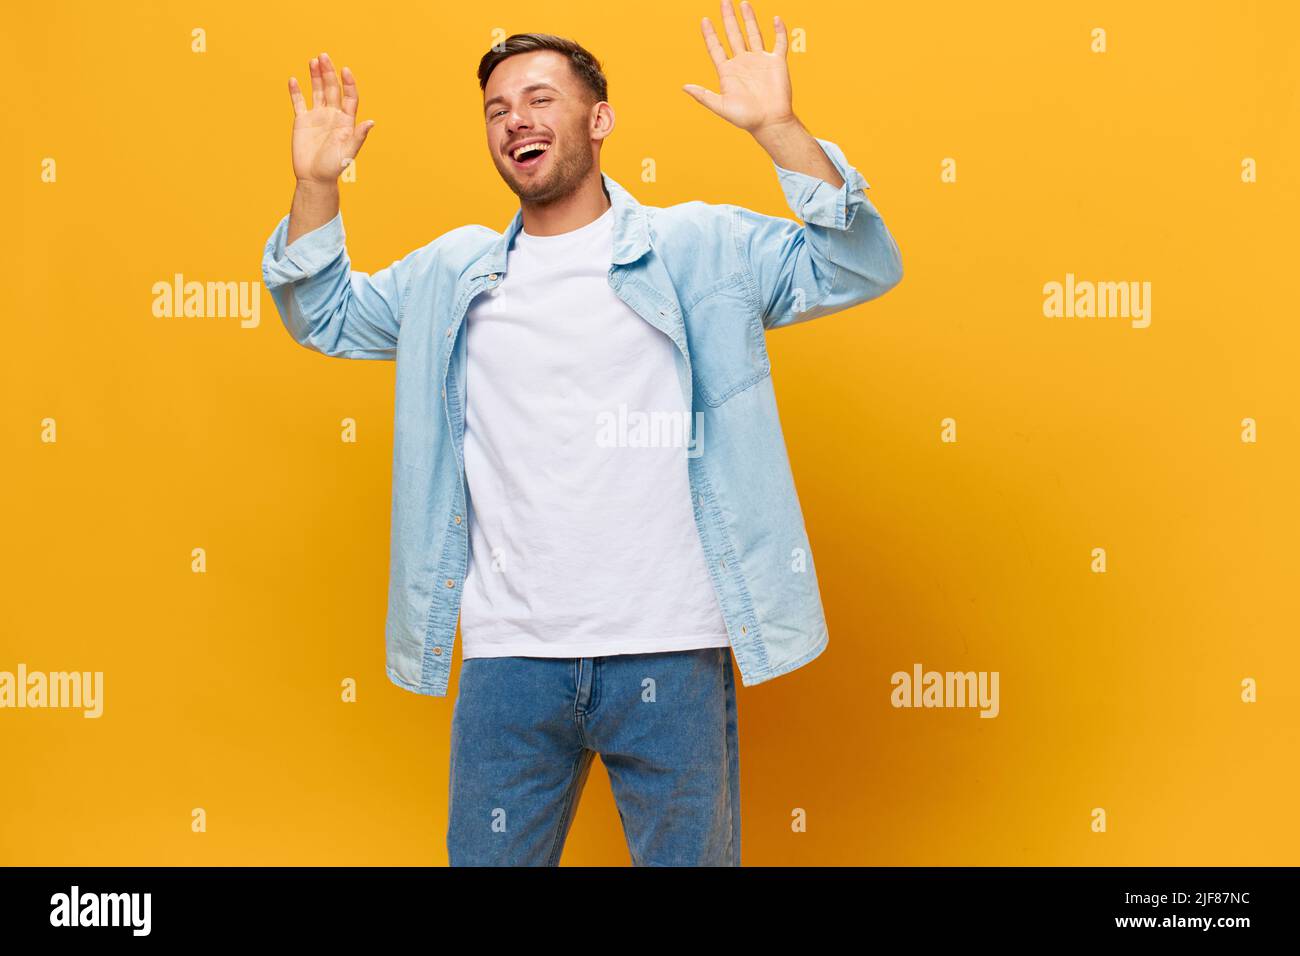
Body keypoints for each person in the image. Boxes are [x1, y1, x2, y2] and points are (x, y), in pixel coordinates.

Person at [261, 0, 903, 866]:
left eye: (539, 99)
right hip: (509, 661)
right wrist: (317, 187)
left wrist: (780, 129)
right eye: (497, 110)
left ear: (599, 120)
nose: (515, 121)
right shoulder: (453, 275)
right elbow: (322, 314)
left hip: (672, 649)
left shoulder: (699, 248)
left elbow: (859, 262)